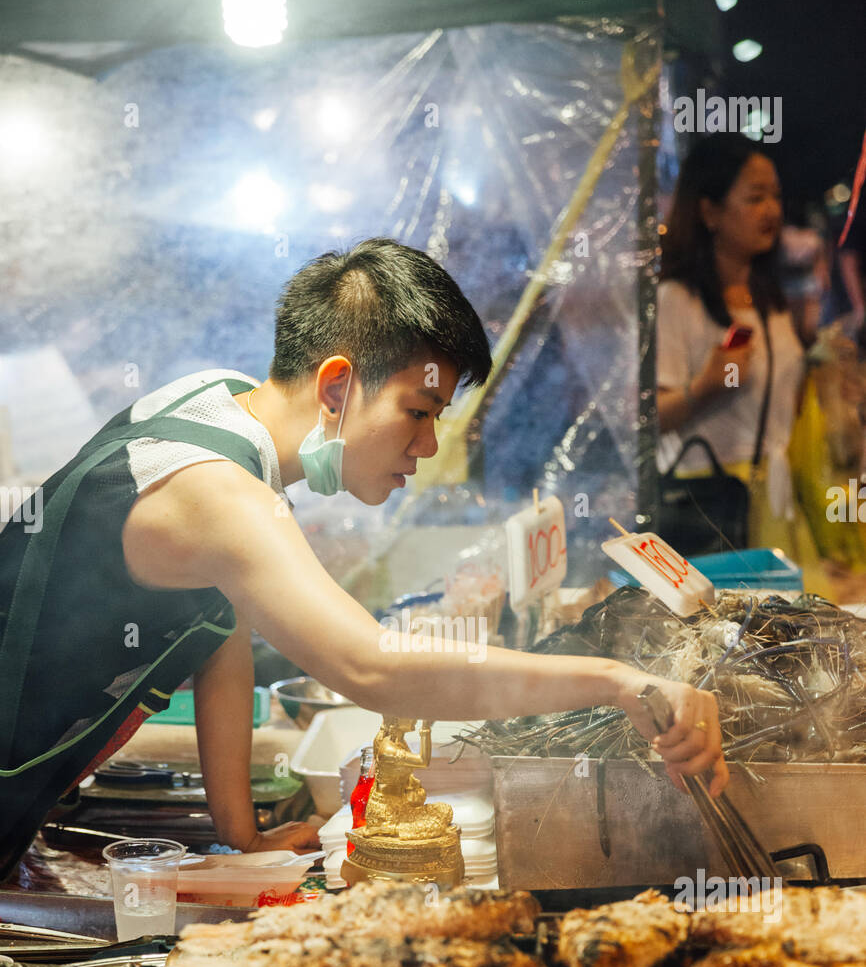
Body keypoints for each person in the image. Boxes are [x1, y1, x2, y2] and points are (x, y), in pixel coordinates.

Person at [0, 239, 726, 879]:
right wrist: (617, 681)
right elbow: (373, 669)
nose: (430, 445)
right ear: (337, 387)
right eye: (418, 410)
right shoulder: (218, 492)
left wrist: (238, 832)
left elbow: (221, 630)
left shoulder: (215, 399)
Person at [655, 136, 828, 588]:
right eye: (755, 197)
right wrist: (708, 385)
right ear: (710, 211)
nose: (772, 209)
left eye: (775, 195)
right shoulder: (678, 299)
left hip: (774, 504)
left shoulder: (770, 298)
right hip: (711, 508)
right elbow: (649, 418)